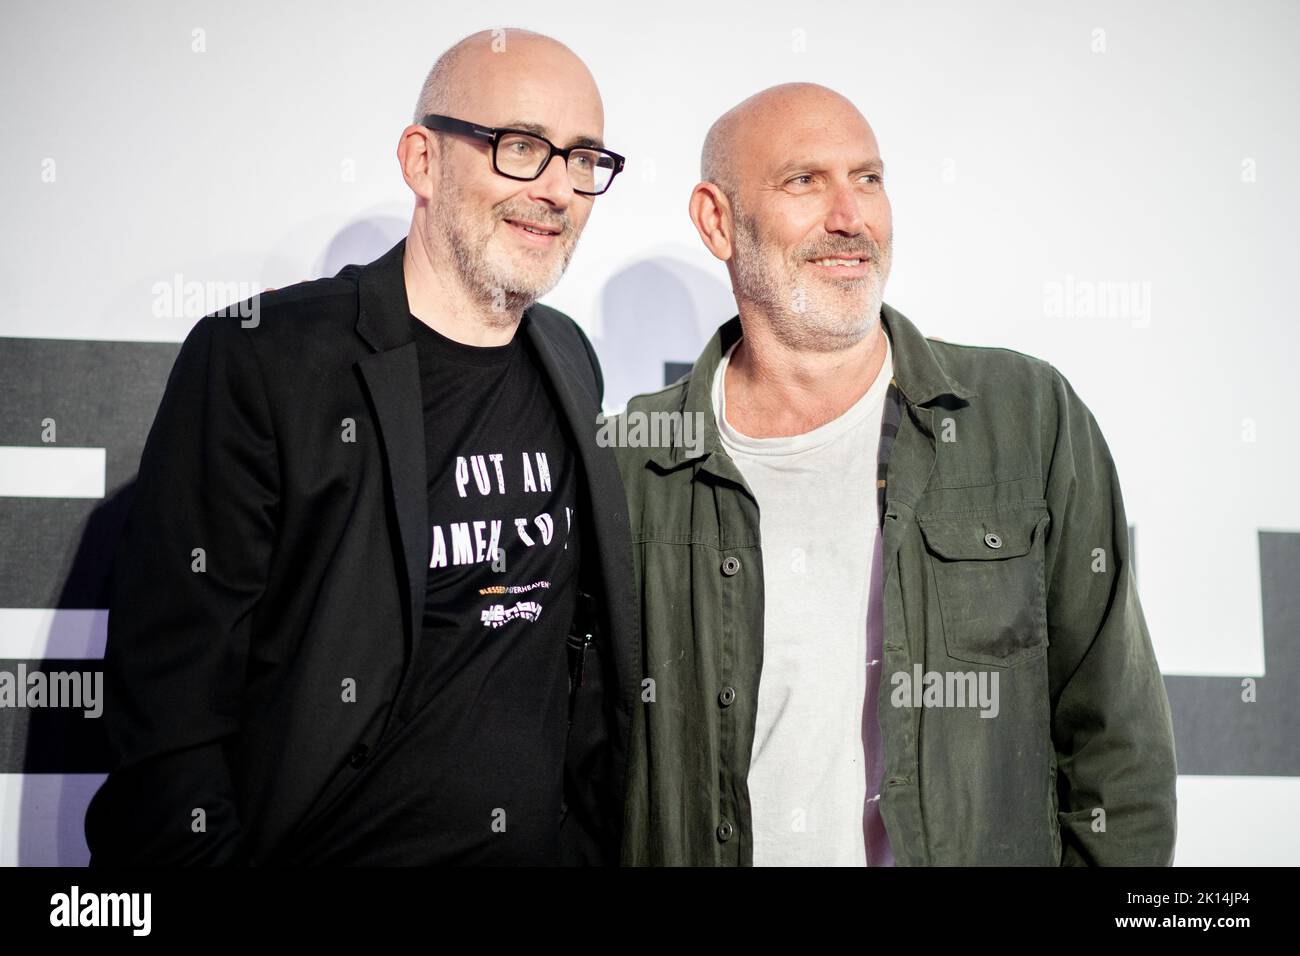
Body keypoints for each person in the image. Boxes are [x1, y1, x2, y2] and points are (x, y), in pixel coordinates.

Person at [85, 27, 638, 866]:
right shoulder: (266, 358)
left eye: (584, 159)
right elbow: (171, 714)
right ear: (422, 160)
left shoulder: (569, 357)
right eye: (521, 147)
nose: (558, 188)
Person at [614, 82, 1177, 866]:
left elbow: (1117, 741)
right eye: (804, 181)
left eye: (868, 179)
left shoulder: (1023, 415)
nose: (851, 217)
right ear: (717, 219)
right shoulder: (635, 457)